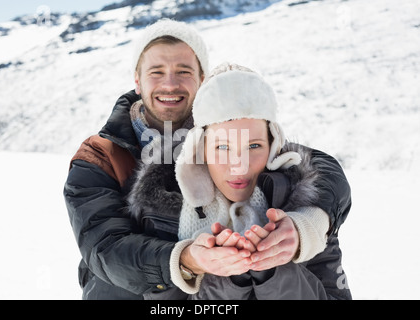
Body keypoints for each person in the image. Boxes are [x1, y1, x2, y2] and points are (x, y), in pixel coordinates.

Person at [64, 19, 351, 300]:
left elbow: (317, 166)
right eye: (156, 71)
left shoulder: (222, 124)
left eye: (184, 71)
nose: (170, 84)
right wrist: (187, 260)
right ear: (137, 81)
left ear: (202, 80)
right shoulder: (99, 156)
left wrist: (309, 223)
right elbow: (106, 249)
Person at [128, 63, 330, 299]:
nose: (238, 165)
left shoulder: (308, 211)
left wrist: (273, 270)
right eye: (223, 147)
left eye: (254, 146)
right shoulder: (159, 214)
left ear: (273, 146)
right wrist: (198, 267)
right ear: (200, 149)